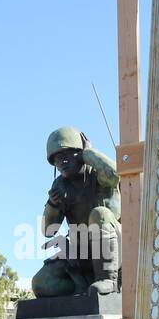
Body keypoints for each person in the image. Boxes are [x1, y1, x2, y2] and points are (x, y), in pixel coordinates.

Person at [31, 126, 122, 297]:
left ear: (80, 153)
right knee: (41, 284)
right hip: (82, 253)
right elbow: (48, 231)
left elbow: (115, 175)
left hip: (116, 247)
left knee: (99, 214)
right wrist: (53, 205)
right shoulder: (60, 185)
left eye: (66, 155)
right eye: (57, 158)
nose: (62, 161)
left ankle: (108, 280)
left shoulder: (98, 173)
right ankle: (83, 287)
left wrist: (89, 154)